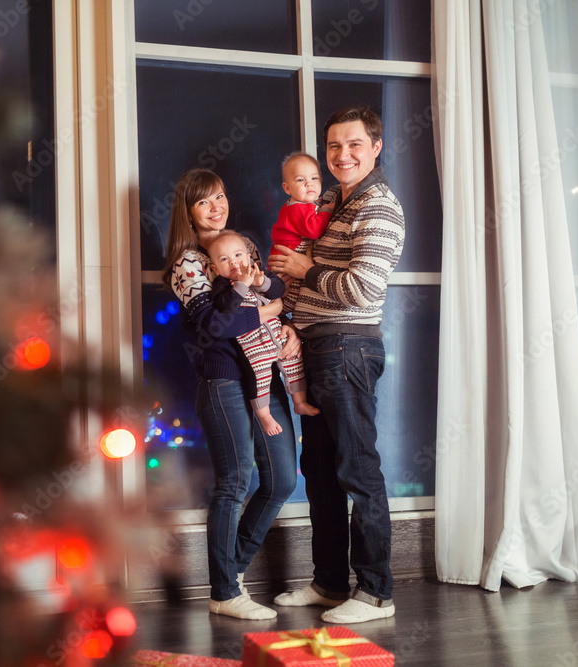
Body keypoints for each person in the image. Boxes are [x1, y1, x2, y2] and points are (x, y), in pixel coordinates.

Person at [268, 104, 405, 624]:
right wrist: (291, 320)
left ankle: (375, 592)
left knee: (357, 468)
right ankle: (329, 582)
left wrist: (307, 265)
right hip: (314, 344)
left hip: (349, 347)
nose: (341, 155)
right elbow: (303, 277)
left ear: (375, 147)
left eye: (353, 145)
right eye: (333, 147)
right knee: (319, 472)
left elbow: (360, 287)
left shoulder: (380, 208)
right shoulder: (329, 200)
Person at [161, 168, 299, 621]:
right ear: (188, 212)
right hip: (221, 380)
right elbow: (215, 326)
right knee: (235, 480)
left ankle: (230, 572)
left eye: (220, 196)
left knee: (280, 479)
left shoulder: (244, 247)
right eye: (204, 201)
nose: (216, 206)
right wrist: (272, 311)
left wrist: (276, 302)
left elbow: (277, 290)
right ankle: (224, 589)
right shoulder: (188, 263)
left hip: (264, 376)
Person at [205, 231, 319, 436]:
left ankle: (299, 402)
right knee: (260, 377)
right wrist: (243, 284)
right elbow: (227, 308)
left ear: (248, 257)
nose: (234, 262)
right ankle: (265, 416)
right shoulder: (222, 287)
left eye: (238, 255)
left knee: (294, 363)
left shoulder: (259, 274)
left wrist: (260, 283)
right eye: (224, 259)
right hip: (253, 345)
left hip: (277, 335)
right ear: (215, 268)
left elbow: (277, 290)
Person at [269, 152, 335, 316]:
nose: (309, 184)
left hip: (290, 258)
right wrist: (326, 210)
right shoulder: (297, 207)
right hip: (286, 262)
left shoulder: (303, 205)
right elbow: (313, 230)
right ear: (287, 188)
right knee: (286, 299)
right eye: (300, 180)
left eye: (314, 178)